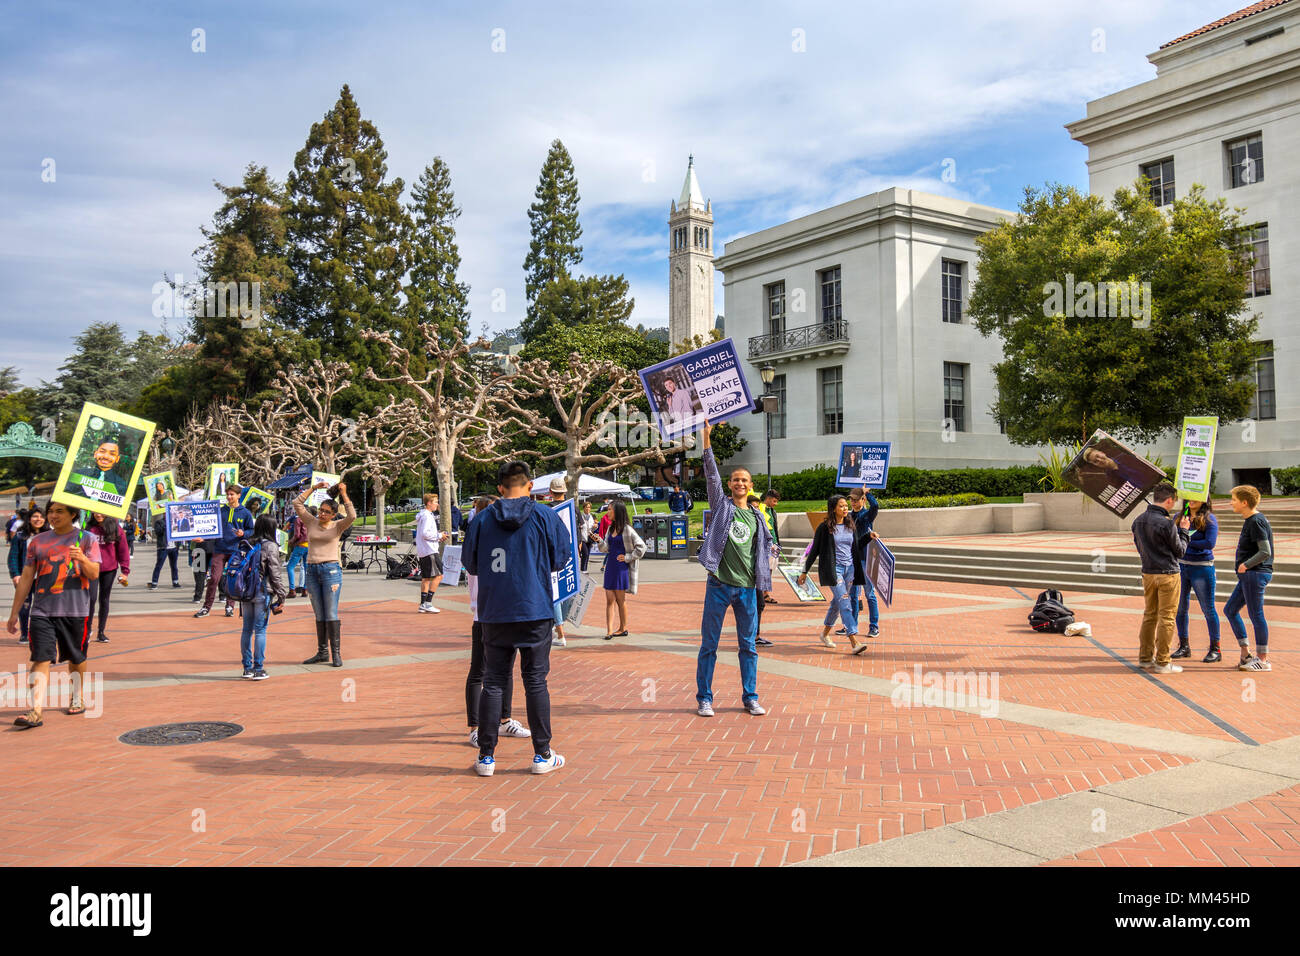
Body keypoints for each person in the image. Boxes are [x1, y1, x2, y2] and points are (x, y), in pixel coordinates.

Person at [463, 460, 571, 777]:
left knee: (494, 681)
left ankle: (486, 757)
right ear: (529, 486)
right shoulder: (546, 517)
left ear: (500, 488)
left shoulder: (481, 520)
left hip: (494, 611)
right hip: (535, 608)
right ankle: (542, 754)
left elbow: (470, 564)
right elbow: (562, 559)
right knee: (535, 681)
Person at [695, 420, 773, 717]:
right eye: (735, 479)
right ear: (730, 485)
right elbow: (712, 477)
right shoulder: (723, 507)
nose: (739, 483)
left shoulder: (757, 518)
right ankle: (705, 698)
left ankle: (750, 697)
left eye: (745, 480)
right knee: (709, 645)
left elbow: (762, 552)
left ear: (750, 486)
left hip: (747, 588)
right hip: (719, 584)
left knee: (748, 646)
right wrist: (706, 439)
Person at [5, 501, 101, 727]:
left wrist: (82, 559)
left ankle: (77, 695)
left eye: (59, 511)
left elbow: (94, 573)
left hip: (75, 610)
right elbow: (27, 577)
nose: (53, 516)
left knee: (76, 658)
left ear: (73, 514)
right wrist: (14, 612)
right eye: (51, 511)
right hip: (42, 610)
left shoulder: (87, 539)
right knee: (41, 658)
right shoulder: (37, 542)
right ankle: (35, 710)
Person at [464, 496, 531, 748]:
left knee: (506, 670)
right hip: (484, 616)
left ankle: (504, 719)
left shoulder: (502, 541)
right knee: (479, 671)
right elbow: (472, 574)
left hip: (506, 614)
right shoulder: (478, 540)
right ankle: (475, 726)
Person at [1130, 481, 1191, 674]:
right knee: (1167, 618)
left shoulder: (1138, 520)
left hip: (1148, 572)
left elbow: (1139, 546)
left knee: (1150, 615)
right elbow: (1180, 551)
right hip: (1168, 573)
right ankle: (1163, 661)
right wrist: (1184, 531)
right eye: (1173, 502)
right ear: (1169, 500)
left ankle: (1145, 658)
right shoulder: (1166, 523)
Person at [294, 481, 356, 667]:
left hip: (331, 571)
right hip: (312, 570)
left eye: (327, 512)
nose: (322, 514)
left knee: (330, 612)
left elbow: (352, 515)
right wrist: (314, 488)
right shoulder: (311, 521)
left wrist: (344, 493)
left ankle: (336, 652)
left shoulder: (337, 526)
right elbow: (297, 504)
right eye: (321, 510)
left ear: (334, 514)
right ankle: (322, 652)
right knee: (319, 613)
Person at [799, 495, 870, 654]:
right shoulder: (824, 528)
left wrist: (868, 537)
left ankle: (824, 634)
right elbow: (814, 550)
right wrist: (805, 571)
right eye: (841, 506)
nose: (845, 508)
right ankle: (854, 641)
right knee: (845, 602)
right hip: (834, 570)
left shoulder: (850, 524)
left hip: (850, 570)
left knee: (837, 604)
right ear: (833, 508)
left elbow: (856, 545)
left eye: (846, 506)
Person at [1225, 485, 1274, 672]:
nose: (1231, 503)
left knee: (1256, 615)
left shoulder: (1256, 521)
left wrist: (1246, 565)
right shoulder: (1252, 520)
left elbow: (1265, 551)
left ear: (1244, 503)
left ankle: (1262, 660)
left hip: (1255, 574)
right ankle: (1246, 654)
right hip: (1250, 576)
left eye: (1234, 500)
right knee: (1230, 609)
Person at [237, 515, 288, 680]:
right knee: (260, 630)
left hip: (245, 592)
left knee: (246, 629)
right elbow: (275, 573)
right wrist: (282, 595)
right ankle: (259, 668)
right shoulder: (271, 546)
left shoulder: (246, 542)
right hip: (261, 591)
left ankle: (247, 668)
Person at [194, 485, 254, 619]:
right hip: (219, 549)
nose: (229, 497)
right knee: (214, 578)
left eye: (232, 494)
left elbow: (251, 530)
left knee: (231, 580)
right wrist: (203, 538)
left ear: (239, 495)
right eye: (228, 494)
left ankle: (230, 606)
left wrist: (244, 533)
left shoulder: (245, 513)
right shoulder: (220, 511)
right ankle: (206, 607)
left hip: (235, 551)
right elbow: (212, 529)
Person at [1173, 497, 1220, 663]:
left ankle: (1215, 648)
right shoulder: (1179, 517)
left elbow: (1209, 543)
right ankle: (1184, 645)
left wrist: (1186, 539)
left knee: (1208, 608)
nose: (1191, 500)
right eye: (1189, 497)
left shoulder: (1208, 518)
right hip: (1181, 566)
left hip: (1202, 567)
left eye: (1196, 497)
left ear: (1204, 499)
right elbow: (1174, 539)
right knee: (1180, 608)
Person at [594, 500, 646, 640]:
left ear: (617, 511)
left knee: (620, 600)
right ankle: (609, 630)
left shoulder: (627, 529)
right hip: (610, 566)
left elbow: (642, 547)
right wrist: (599, 541)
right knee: (609, 599)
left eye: (610, 509)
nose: (608, 512)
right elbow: (606, 549)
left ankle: (623, 628)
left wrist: (628, 557)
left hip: (621, 568)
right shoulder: (611, 528)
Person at [85, 513, 129, 644]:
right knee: (91, 598)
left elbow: (123, 550)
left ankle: (101, 631)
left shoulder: (115, 528)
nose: (98, 514)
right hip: (92, 567)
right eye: (95, 511)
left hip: (109, 569)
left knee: (104, 599)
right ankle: (87, 631)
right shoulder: (89, 528)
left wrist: (125, 571)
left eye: (101, 511)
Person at [845, 486, 882, 638]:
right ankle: (852, 626)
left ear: (862, 500)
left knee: (869, 593)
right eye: (851, 500)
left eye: (856, 499)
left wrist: (868, 493)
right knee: (853, 594)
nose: (853, 502)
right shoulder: (848, 517)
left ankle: (874, 626)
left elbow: (876, 506)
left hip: (865, 558)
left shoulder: (866, 515)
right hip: (852, 558)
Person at [7, 506, 45, 644]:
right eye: (35, 516)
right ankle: (24, 633)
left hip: (43, 577)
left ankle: (40, 632)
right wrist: (15, 574)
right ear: (29, 519)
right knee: (25, 605)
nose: (38, 519)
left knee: (42, 606)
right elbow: (13, 556)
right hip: (25, 577)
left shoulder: (49, 535)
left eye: (41, 517)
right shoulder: (20, 536)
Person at [546, 476, 575, 647]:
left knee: (555, 594)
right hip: (570, 555)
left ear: (550, 492)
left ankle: (560, 632)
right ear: (564, 491)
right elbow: (579, 534)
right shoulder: (573, 509)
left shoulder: (545, 511)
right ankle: (558, 625)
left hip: (552, 558)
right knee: (568, 591)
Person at [414, 493, 449, 613]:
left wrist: (438, 536)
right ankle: (428, 603)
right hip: (430, 550)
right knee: (439, 575)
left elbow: (424, 533)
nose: (437, 504)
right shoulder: (428, 516)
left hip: (424, 550)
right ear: (429, 503)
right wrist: (439, 535)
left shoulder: (424, 515)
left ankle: (423, 604)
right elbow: (425, 533)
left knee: (426, 578)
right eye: (435, 501)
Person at [148, 511, 180, 590]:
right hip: (163, 547)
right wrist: (166, 526)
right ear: (163, 514)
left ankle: (175, 581)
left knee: (174, 566)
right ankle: (154, 583)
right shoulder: (159, 522)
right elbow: (158, 532)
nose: (168, 515)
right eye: (166, 513)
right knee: (159, 565)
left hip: (173, 547)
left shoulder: (174, 522)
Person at [284, 507, 311, 598]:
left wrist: (291, 542)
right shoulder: (311, 519)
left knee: (290, 567)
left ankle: (292, 590)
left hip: (300, 545)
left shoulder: (298, 519)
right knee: (306, 567)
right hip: (309, 545)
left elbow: (297, 535)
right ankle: (305, 589)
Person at [577, 499, 595, 573]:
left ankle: (585, 569)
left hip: (590, 538)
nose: (588, 509)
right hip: (582, 538)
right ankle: (582, 570)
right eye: (586, 507)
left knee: (587, 555)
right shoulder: (580, 516)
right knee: (585, 553)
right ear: (583, 508)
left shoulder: (591, 517)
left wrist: (595, 526)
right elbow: (577, 525)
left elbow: (592, 528)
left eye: (589, 507)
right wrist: (579, 527)